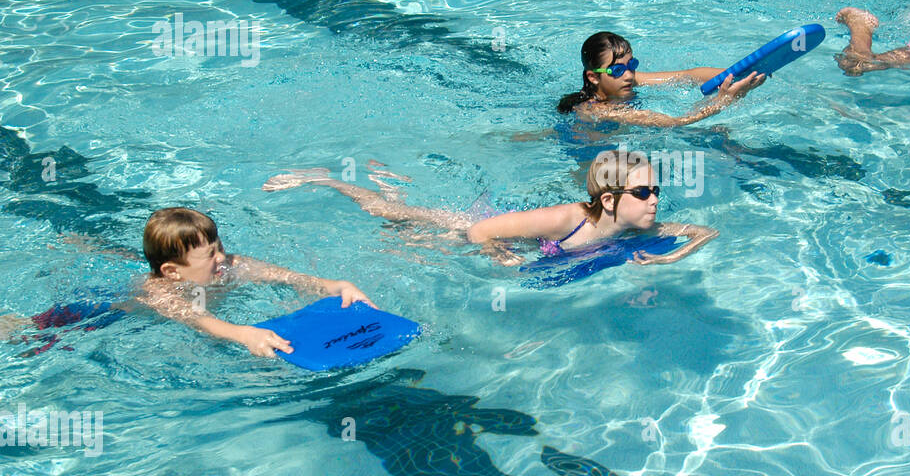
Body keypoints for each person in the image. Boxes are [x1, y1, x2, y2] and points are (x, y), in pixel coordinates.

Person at [263, 150, 717, 266]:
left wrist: (671, 256)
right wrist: (495, 253)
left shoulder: (634, 229)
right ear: (609, 200)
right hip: (477, 226)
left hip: (509, 235)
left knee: (401, 235)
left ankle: (390, 183)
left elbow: (705, 232)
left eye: (656, 189)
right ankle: (323, 177)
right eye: (643, 193)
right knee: (388, 220)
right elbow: (482, 233)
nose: (655, 199)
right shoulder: (568, 217)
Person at [137, 207, 373, 357]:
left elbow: (288, 278)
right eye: (210, 254)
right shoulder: (160, 293)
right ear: (172, 272)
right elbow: (200, 320)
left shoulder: (230, 264)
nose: (221, 258)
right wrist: (244, 334)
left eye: (220, 247)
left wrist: (338, 286)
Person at [556, 31, 766, 127]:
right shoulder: (595, 110)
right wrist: (723, 101)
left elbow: (687, 75)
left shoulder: (629, 80)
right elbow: (675, 122)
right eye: (618, 70)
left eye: (632, 65)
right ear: (593, 77)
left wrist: (739, 73)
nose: (629, 74)